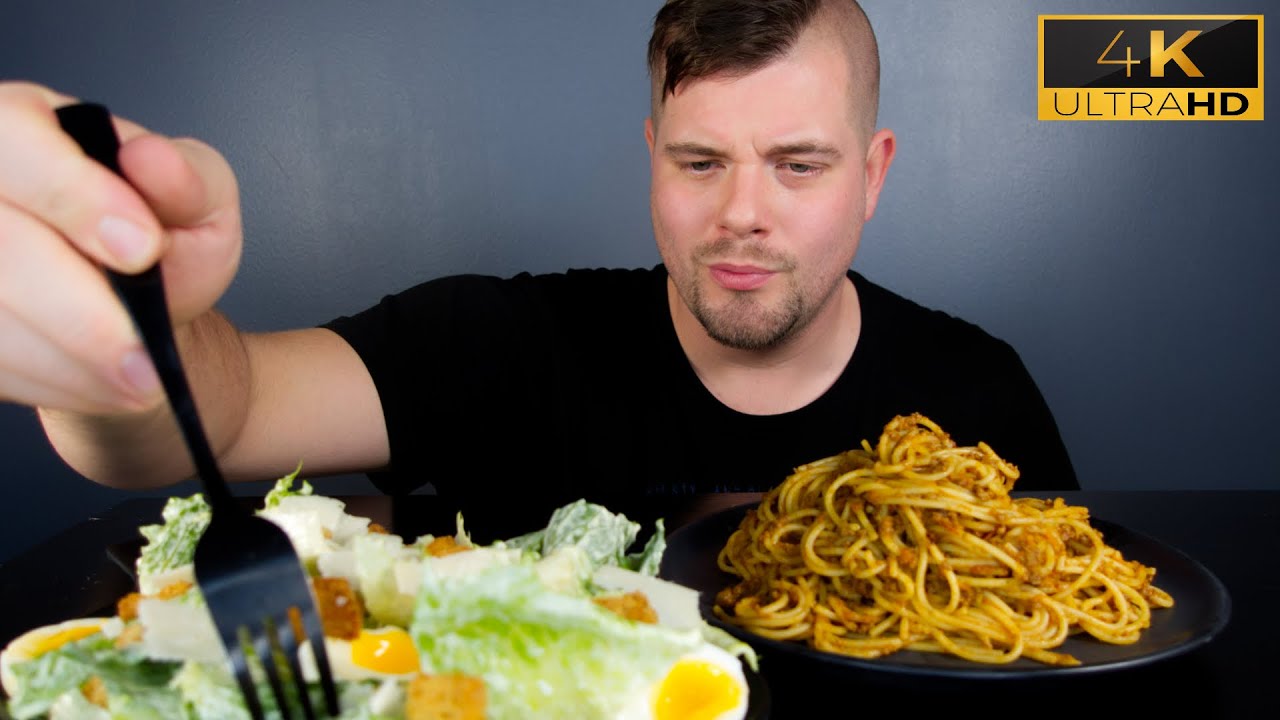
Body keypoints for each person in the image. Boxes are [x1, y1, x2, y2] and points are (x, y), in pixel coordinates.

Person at [0, 0, 1078, 507]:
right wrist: (117, 320)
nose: (742, 212)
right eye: (700, 162)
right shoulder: (501, 344)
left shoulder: (975, 390)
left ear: (872, 173)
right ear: (651, 158)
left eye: (798, 165)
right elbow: (217, 415)